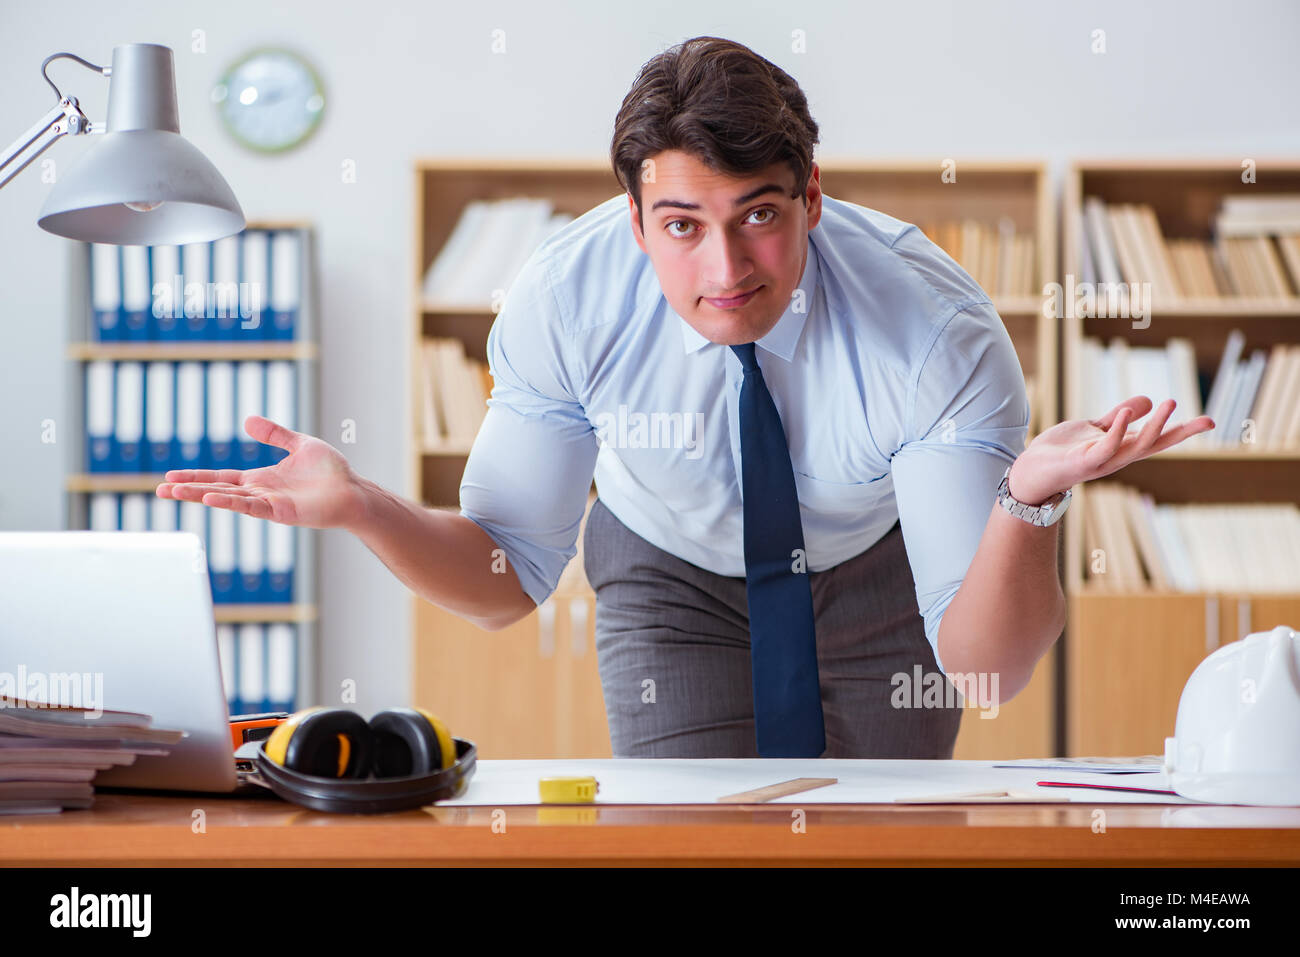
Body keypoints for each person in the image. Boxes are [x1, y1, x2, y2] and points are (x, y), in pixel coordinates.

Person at [155, 36, 1213, 760]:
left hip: (873, 572)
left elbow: (986, 672)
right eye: (680, 225)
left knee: (883, 846)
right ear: (633, 220)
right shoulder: (564, 302)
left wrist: (1025, 502)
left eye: (757, 214)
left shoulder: (929, 331)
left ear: (809, 196)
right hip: (669, 573)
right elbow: (503, 581)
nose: (725, 269)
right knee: (687, 843)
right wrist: (361, 508)